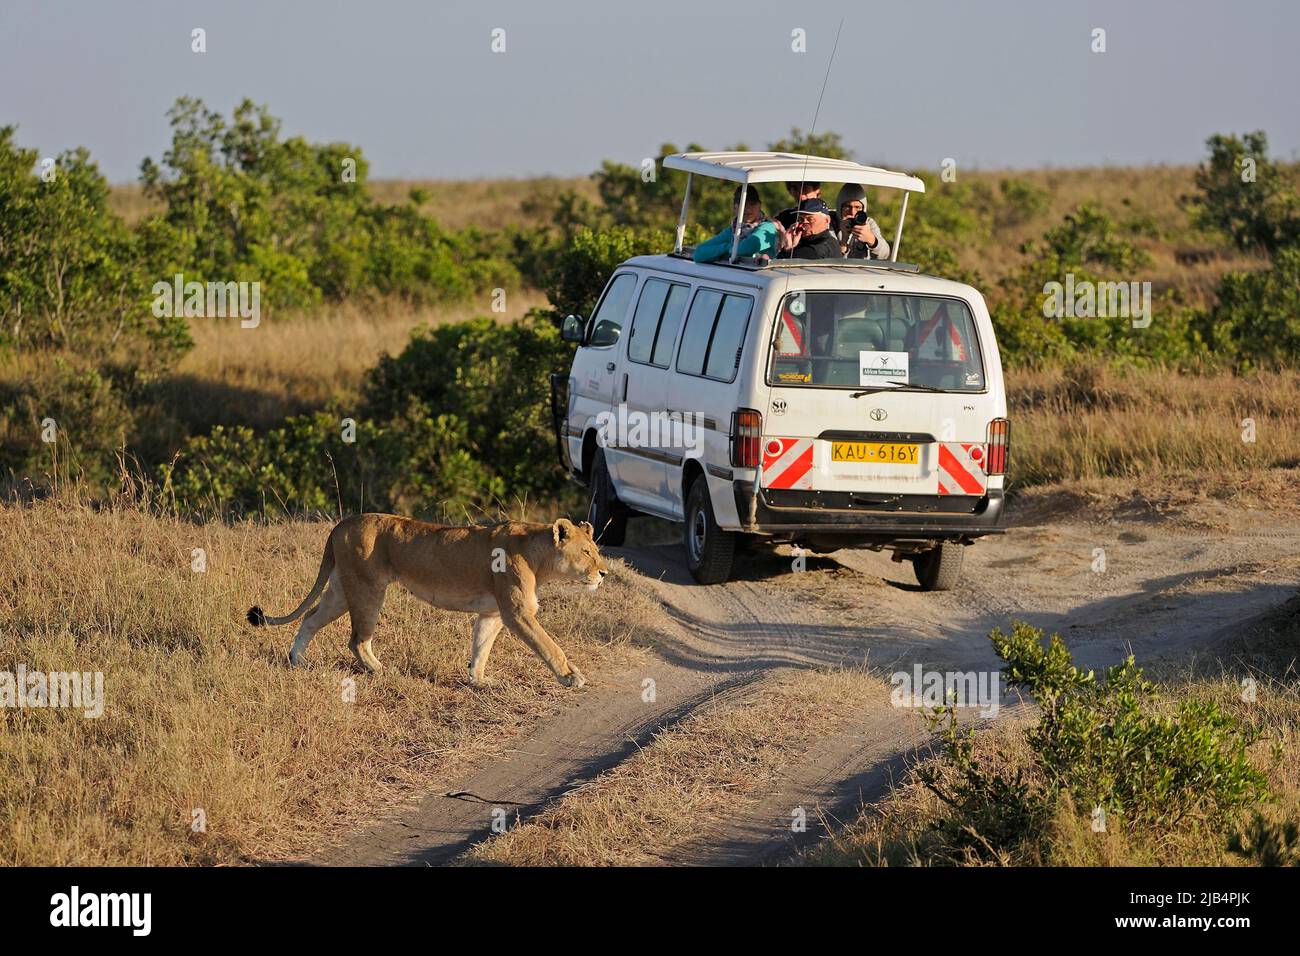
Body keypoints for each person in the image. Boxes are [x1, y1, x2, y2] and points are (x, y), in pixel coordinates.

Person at [692, 185, 780, 263]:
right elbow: (698, 254)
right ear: (735, 208)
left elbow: (747, 247)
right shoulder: (733, 230)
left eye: (752, 204)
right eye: (743, 204)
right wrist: (726, 247)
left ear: (759, 206)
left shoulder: (768, 226)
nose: (748, 209)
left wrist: (725, 251)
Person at [835, 183, 890, 259]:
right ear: (839, 207)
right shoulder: (830, 223)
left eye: (857, 207)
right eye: (848, 207)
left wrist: (871, 240)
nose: (852, 212)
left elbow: (884, 254)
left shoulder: (869, 223)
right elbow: (828, 258)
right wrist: (843, 241)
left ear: (863, 209)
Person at [775, 198, 843, 260]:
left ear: (826, 220)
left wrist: (788, 248)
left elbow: (785, 264)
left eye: (810, 219)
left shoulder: (821, 246)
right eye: (801, 219)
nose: (802, 224)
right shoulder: (812, 242)